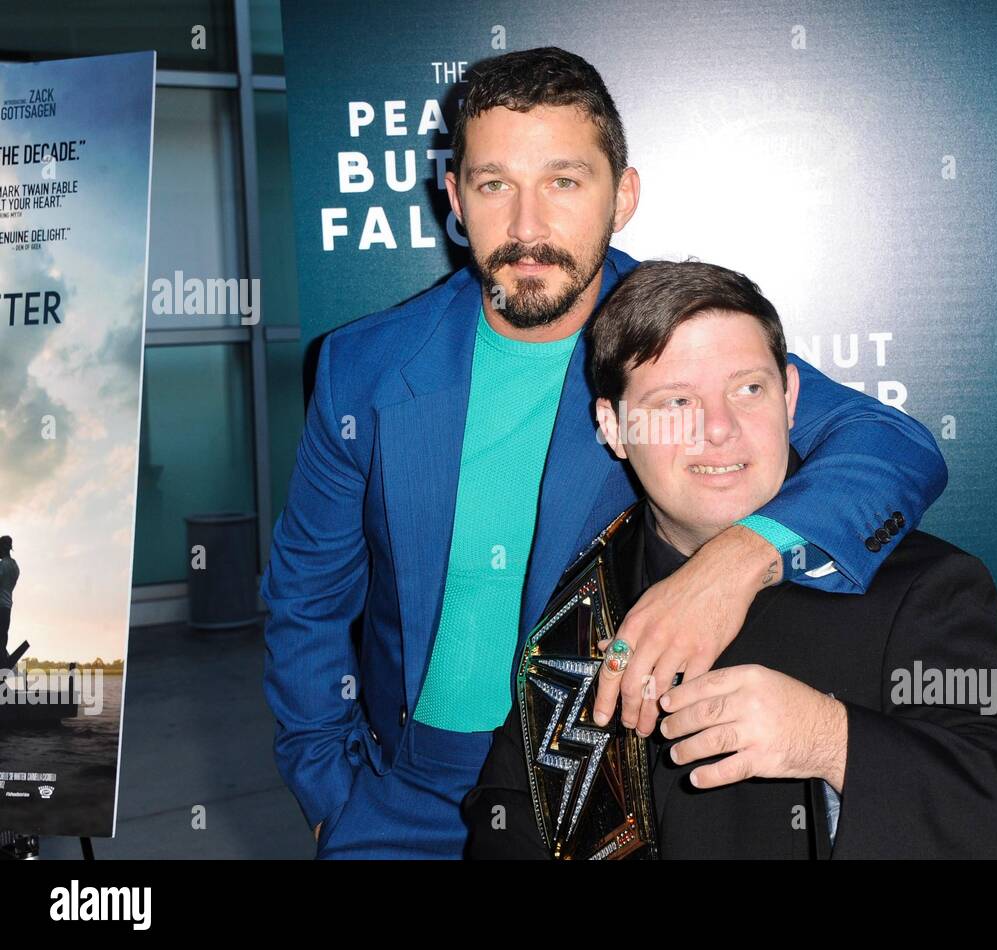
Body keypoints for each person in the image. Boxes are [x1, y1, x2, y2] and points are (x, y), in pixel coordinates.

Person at [261, 47, 948, 859]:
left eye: (563, 182)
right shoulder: (362, 368)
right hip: (397, 802)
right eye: (493, 186)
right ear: (454, 199)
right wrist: (330, 796)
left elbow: (894, 447)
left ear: (622, 196)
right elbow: (306, 597)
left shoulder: (677, 342)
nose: (526, 228)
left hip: (589, 797)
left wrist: (741, 558)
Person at [464, 261, 997, 858]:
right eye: (676, 401)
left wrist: (830, 741)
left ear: (790, 399)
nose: (720, 429)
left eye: (748, 389)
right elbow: (510, 825)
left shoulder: (923, 588)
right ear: (614, 427)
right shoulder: (575, 602)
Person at [0, 535, 18, 664]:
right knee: (3, 635)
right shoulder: (15, 566)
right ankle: (2, 660)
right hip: (7, 605)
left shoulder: (2, 565)